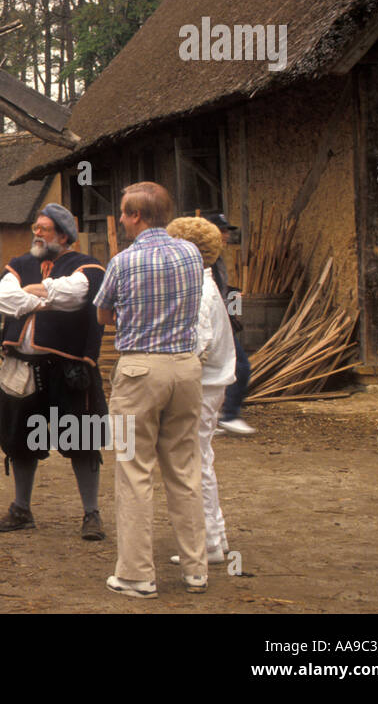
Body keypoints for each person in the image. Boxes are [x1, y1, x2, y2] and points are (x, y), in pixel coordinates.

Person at [94, 182, 206, 599]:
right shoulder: (192, 253)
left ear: (137, 216)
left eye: (124, 213)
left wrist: (132, 313)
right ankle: (196, 569)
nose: (121, 220)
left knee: (135, 471)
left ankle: (138, 575)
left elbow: (104, 314)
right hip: (185, 366)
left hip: (140, 367)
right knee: (185, 469)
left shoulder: (123, 261)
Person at [0, 203, 109, 540]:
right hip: (23, 368)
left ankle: (91, 515)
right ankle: (21, 510)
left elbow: (76, 294)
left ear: (64, 235)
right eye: (35, 228)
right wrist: (44, 297)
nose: (36, 234)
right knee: (20, 439)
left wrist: (33, 292)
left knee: (81, 439)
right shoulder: (21, 264)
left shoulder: (87, 266)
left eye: (44, 229)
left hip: (69, 369)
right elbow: (3, 301)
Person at [165, 217, 235, 566]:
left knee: (194, 461)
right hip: (212, 380)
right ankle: (214, 536)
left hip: (203, 382)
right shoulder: (205, 284)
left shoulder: (200, 291)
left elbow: (199, 340)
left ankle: (206, 541)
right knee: (201, 457)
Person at [202, 211, 256, 435]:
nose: (226, 235)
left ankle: (219, 416)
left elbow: (220, 290)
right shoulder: (206, 260)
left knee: (225, 369)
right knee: (240, 366)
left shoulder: (218, 259)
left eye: (226, 231)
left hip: (220, 322)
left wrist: (233, 296)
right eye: (222, 231)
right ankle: (228, 415)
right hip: (211, 324)